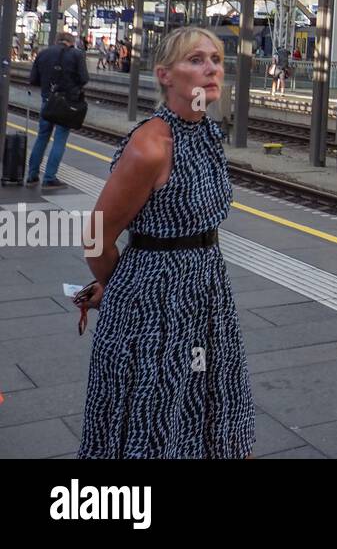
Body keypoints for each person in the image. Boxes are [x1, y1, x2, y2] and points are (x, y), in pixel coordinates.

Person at [76, 27, 255, 459]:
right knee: (154, 416)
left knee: (213, 404)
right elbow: (97, 237)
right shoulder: (151, 146)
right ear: (164, 75)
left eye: (216, 59)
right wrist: (122, 289)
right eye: (195, 59)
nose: (211, 67)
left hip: (207, 296)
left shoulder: (207, 133)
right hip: (154, 306)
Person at [26, 31, 89, 190]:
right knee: (60, 139)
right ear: (71, 42)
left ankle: (32, 176)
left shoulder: (43, 54)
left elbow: (33, 79)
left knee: (42, 137)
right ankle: (49, 178)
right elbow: (84, 78)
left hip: (47, 102)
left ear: (57, 41)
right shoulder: (76, 55)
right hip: (66, 104)